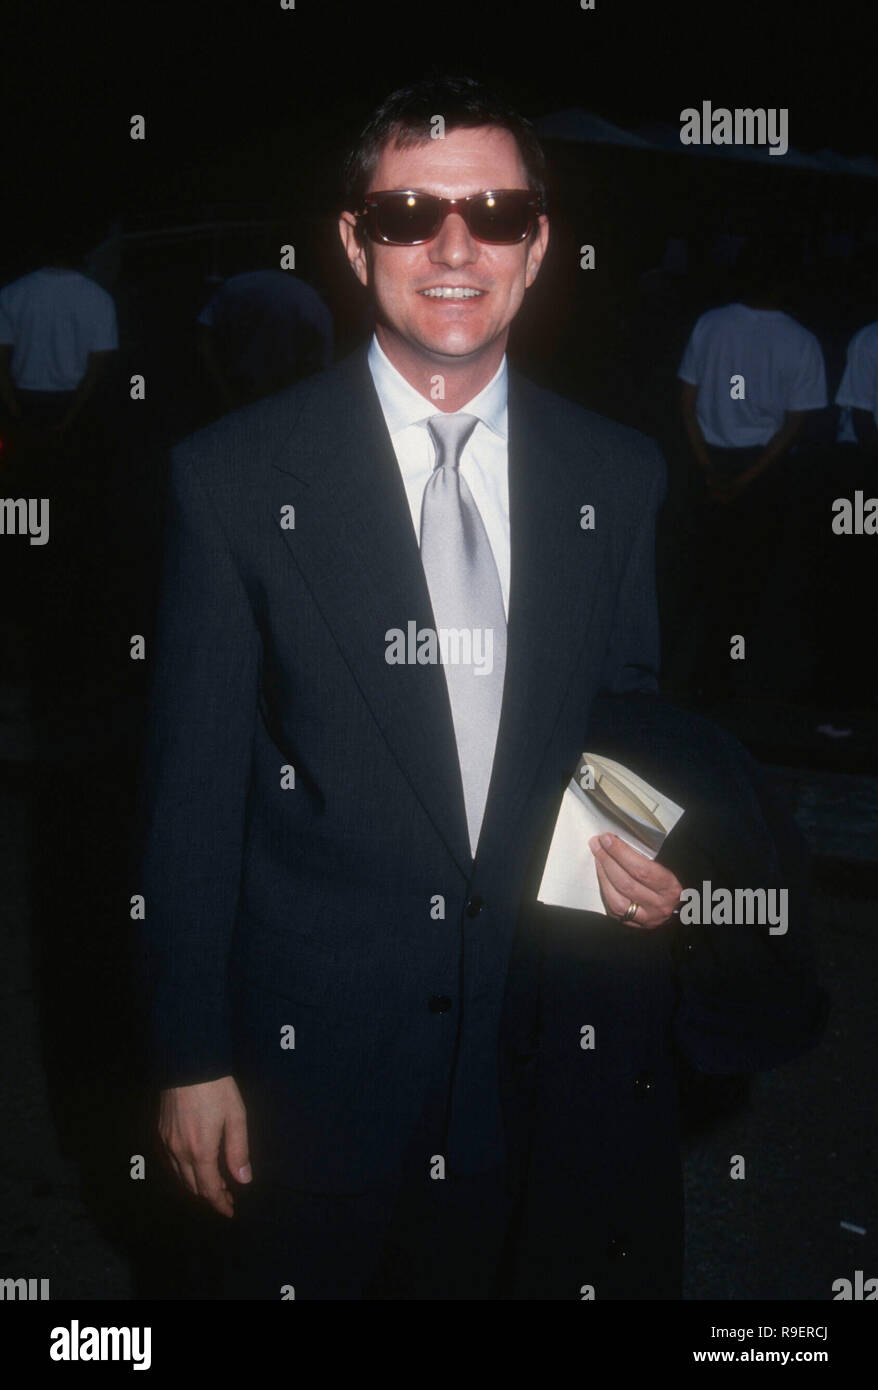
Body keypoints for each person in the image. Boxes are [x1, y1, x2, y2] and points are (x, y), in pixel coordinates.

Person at [138, 77, 825, 1300]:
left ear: (538, 245)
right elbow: (188, 803)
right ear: (354, 242)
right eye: (408, 212)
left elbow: (617, 725)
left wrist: (647, 863)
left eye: (496, 213)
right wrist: (190, 1058)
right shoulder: (233, 478)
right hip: (310, 1068)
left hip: (537, 1056)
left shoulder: (613, 475)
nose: (454, 246)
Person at [676, 243, 828, 700]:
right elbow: (796, 424)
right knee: (745, 583)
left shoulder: (711, 323)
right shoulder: (801, 339)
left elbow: (686, 396)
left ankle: (695, 685)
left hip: (713, 462)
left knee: (702, 578)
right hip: (757, 470)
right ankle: (721, 687)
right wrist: (744, 478)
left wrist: (707, 465)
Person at [196, 267, 333, 412]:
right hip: (311, 310)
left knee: (270, 393)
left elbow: (203, 342)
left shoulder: (224, 293)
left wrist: (225, 394)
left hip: (283, 313)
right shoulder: (244, 286)